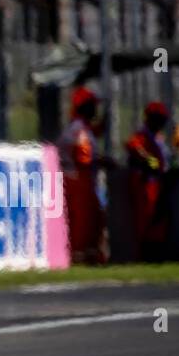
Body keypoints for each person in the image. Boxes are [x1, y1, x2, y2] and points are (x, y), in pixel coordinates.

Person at [58, 86, 110, 264]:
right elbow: (83, 158)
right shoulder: (79, 130)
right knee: (83, 222)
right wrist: (103, 161)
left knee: (93, 219)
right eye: (93, 105)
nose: (95, 109)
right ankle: (80, 257)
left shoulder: (82, 128)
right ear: (85, 107)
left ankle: (90, 255)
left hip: (81, 180)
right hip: (78, 180)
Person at [125, 101, 172, 261]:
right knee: (147, 221)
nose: (162, 122)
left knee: (160, 220)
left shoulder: (158, 138)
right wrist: (155, 165)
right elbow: (135, 149)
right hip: (146, 184)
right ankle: (146, 255)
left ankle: (157, 253)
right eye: (159, 118)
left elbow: (163, 160)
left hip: (159, 183)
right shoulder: (141, 137)